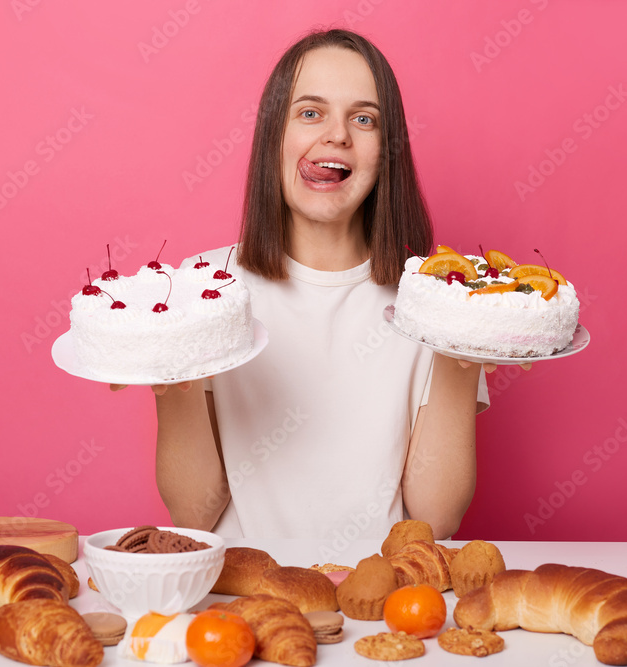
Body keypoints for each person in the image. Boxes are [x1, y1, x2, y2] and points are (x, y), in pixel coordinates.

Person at [137, 29, 503, 541]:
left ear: (387, 151)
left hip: (382, 603)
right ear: (273, 137)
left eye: (364, 119)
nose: (337, 136)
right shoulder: (202, 292)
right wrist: (172, 379)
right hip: (240, 601)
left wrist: (461, 357)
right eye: (311, 113)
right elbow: (193, 516)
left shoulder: (434, 299)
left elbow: (435, 521)